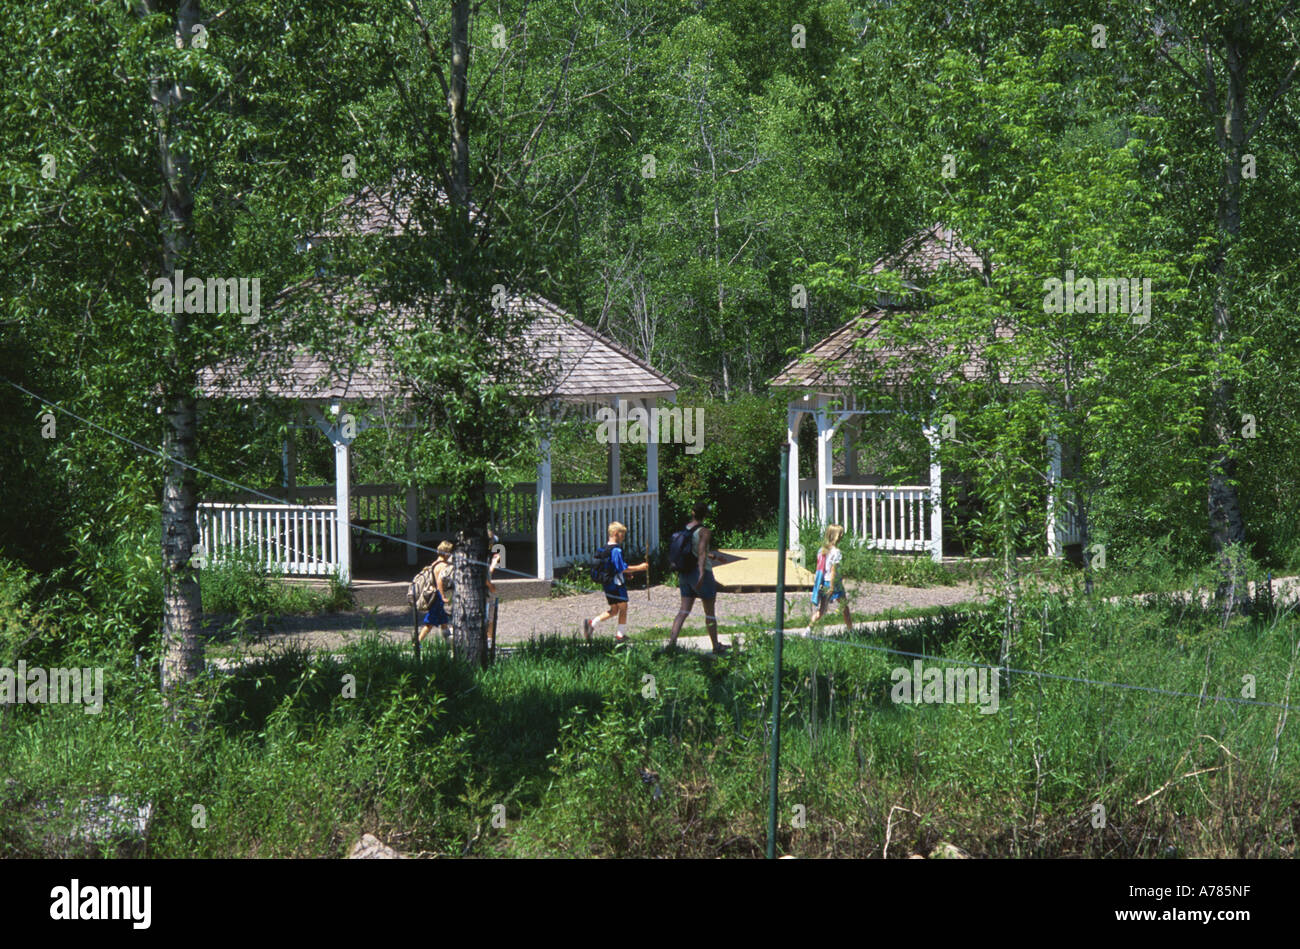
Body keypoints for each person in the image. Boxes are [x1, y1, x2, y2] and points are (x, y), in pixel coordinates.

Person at [666, 502, 728, 654]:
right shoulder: (704, 532)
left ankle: (671, 644)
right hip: (701, 574)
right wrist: (701, 573)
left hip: (685, 574)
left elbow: (694, 551)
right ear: (705, 515)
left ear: (693, 512)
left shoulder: (686, 529)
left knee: (683, 611)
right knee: (709, 613)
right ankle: (716, 646)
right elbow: (700, 552)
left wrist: (714, 556)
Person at [583, 521, 648, 644]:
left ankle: (592, 623)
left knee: (614, 610)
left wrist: (626, 575)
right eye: (622, 535)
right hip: (617, 584)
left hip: (607, 583)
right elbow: (622, 568)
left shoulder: (603, 549)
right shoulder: (616, 550)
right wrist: (640, 567)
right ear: (615, 533)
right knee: (623, 608)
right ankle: (620, 636)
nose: (623, 538)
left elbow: (613, 567)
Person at [807, 524, 852, 631]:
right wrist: (832, 587)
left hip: (824, 581)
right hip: (834, 583)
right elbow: (833, 571)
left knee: (821, 611)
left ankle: (808, 630)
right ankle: (851, 631)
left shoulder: (822, 550)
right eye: (841, 533)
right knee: (844, 607)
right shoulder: (836, 552)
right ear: (837, 536)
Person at [417, 541, 455, 643]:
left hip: (433, 594)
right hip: (438, 596)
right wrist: (443, 596)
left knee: (443, 621)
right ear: (447, 553)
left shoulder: (434, 563)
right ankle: (417, 642)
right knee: (430, 622)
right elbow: (440, 581)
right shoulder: (443, 565)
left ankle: (448, 642)